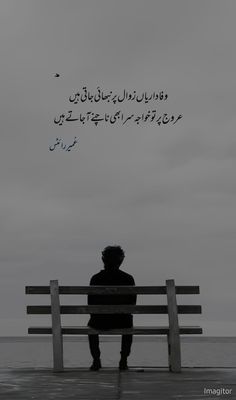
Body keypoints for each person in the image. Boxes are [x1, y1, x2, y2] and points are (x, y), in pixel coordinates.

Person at [87, 245, 136, 371]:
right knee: (129, 321)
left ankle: (96, 360)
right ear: (121, 261)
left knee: (90, 325)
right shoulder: (128, 279)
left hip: (99, 322)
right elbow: (132, 305)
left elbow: (90, 305)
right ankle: (123, 360)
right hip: (122, 322)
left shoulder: (95, 279)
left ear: (103, 260)